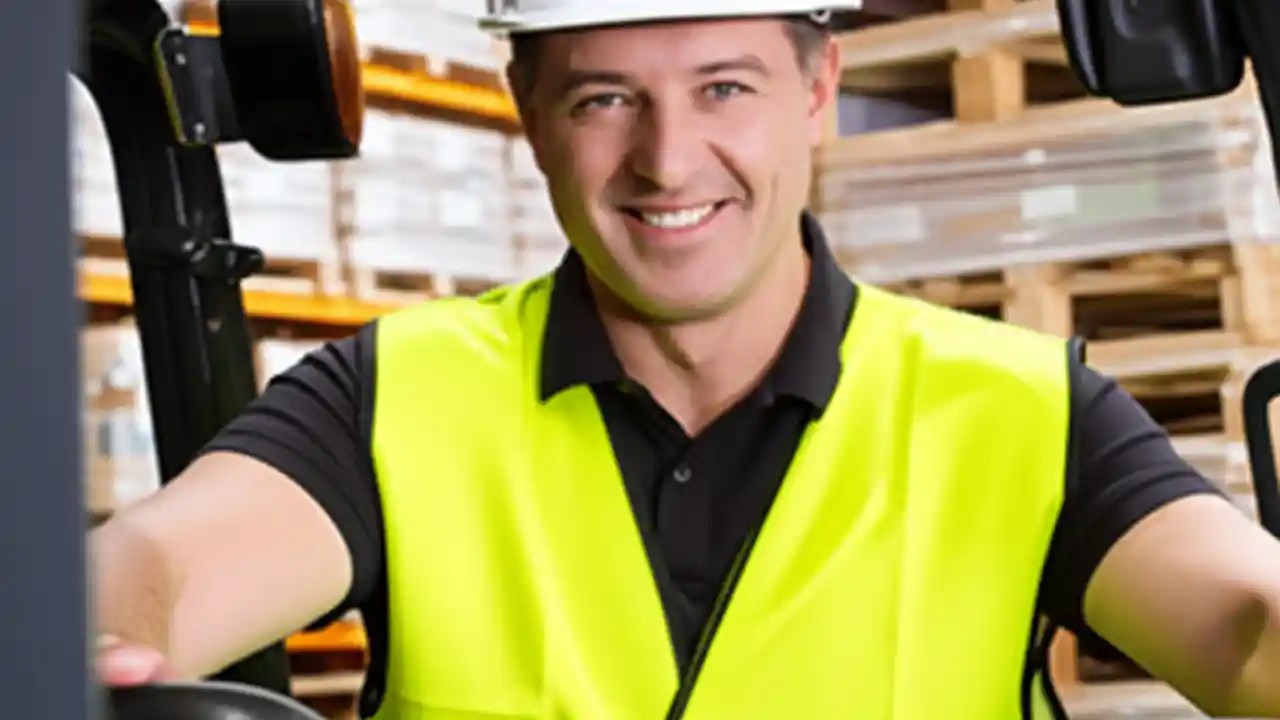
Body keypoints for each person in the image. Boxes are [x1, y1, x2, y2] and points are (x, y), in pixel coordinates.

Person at [90, 1, 1280, 717]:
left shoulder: (1022, 411)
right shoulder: (393, 399)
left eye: (724, 88)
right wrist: (98, 636)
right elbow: (161, 565)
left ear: (816, 87)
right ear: (528, 108)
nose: (668, 161)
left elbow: (1242, 630)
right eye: (607, 98)